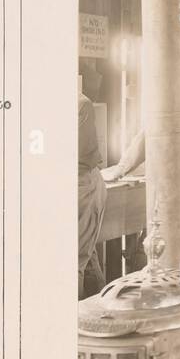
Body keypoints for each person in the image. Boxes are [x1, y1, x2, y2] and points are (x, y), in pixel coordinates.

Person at [77, 91, 107, 299]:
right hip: (73, 182)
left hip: (82, 183)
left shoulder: (80, 104)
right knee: (86, 257)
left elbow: (80, 156)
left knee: (74, 261)